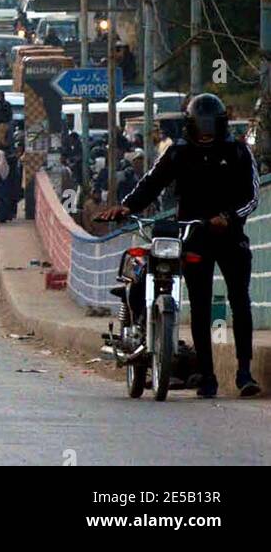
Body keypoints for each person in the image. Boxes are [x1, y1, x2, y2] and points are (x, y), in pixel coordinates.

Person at [101, 93, 261, 398]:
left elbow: (252, 197)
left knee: (239, 301)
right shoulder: (178, 154)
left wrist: (228, 216)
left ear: (220, 124)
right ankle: (208, 376)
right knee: (199, 307)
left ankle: (244, 373)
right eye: (199, 123)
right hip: (193, 237)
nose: (205, 130)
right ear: (189, 125)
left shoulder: (238, 151)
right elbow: (151, 183)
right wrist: (125, 207)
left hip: (230, 237)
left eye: (210, 123)